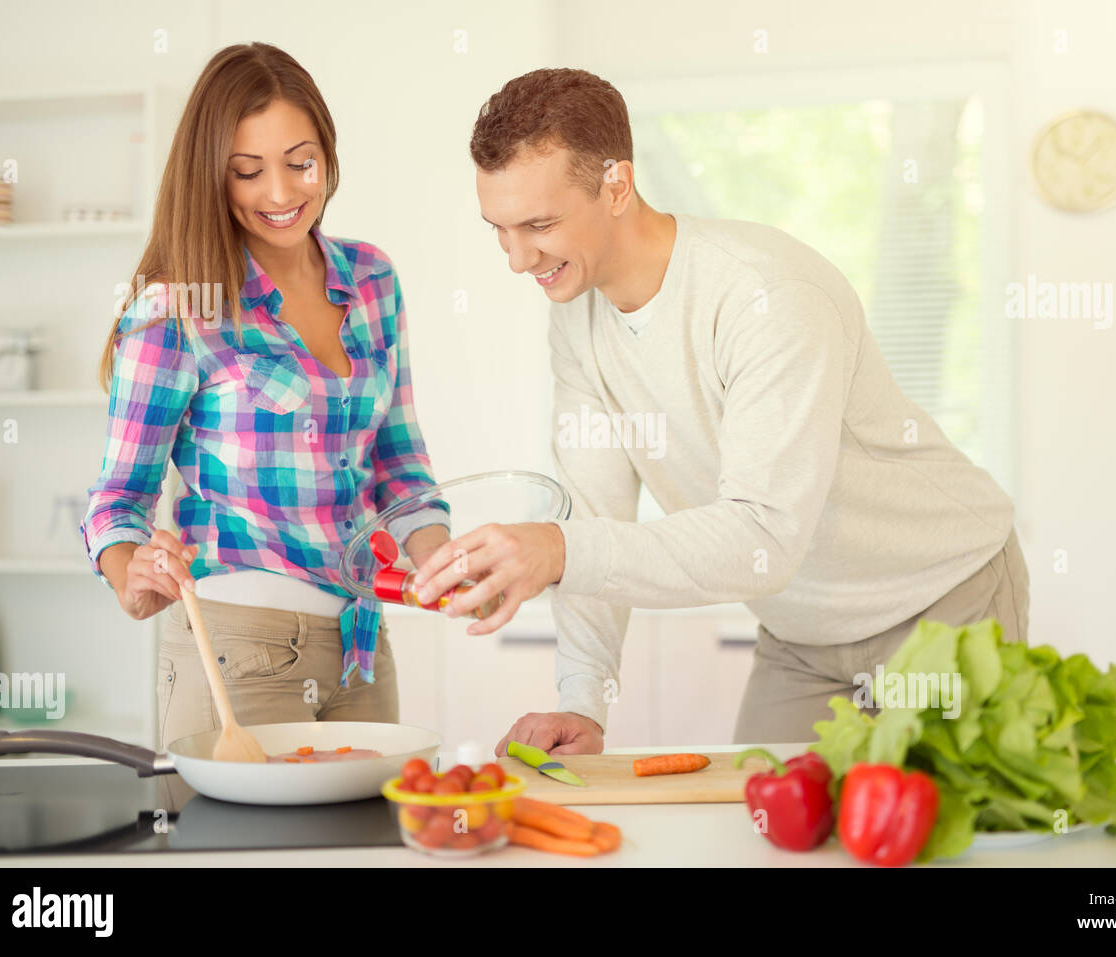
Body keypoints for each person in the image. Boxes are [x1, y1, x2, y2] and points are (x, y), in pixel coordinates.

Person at [413, 68, 1030, 754]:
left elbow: (759, 536)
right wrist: (583, 701)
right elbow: (593, 520)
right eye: (500, 229)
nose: (518, 258)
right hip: (800, 634)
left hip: (941, 599)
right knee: (762, 829)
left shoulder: (765, 296)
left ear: (616, 185)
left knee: (953, 847)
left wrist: (556, 549)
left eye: (540, 225)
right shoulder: (577, 318)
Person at [81, 43, 447, 751]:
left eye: (299, 163)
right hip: (238, 649)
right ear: (211, 177)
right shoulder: (178, 308)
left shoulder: (373, 280)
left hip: (361, 647)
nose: (279, 194)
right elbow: (116, 503)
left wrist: (444, 561)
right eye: (247, 172)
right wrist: (135, 578)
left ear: (328, 156)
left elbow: (401, 466)